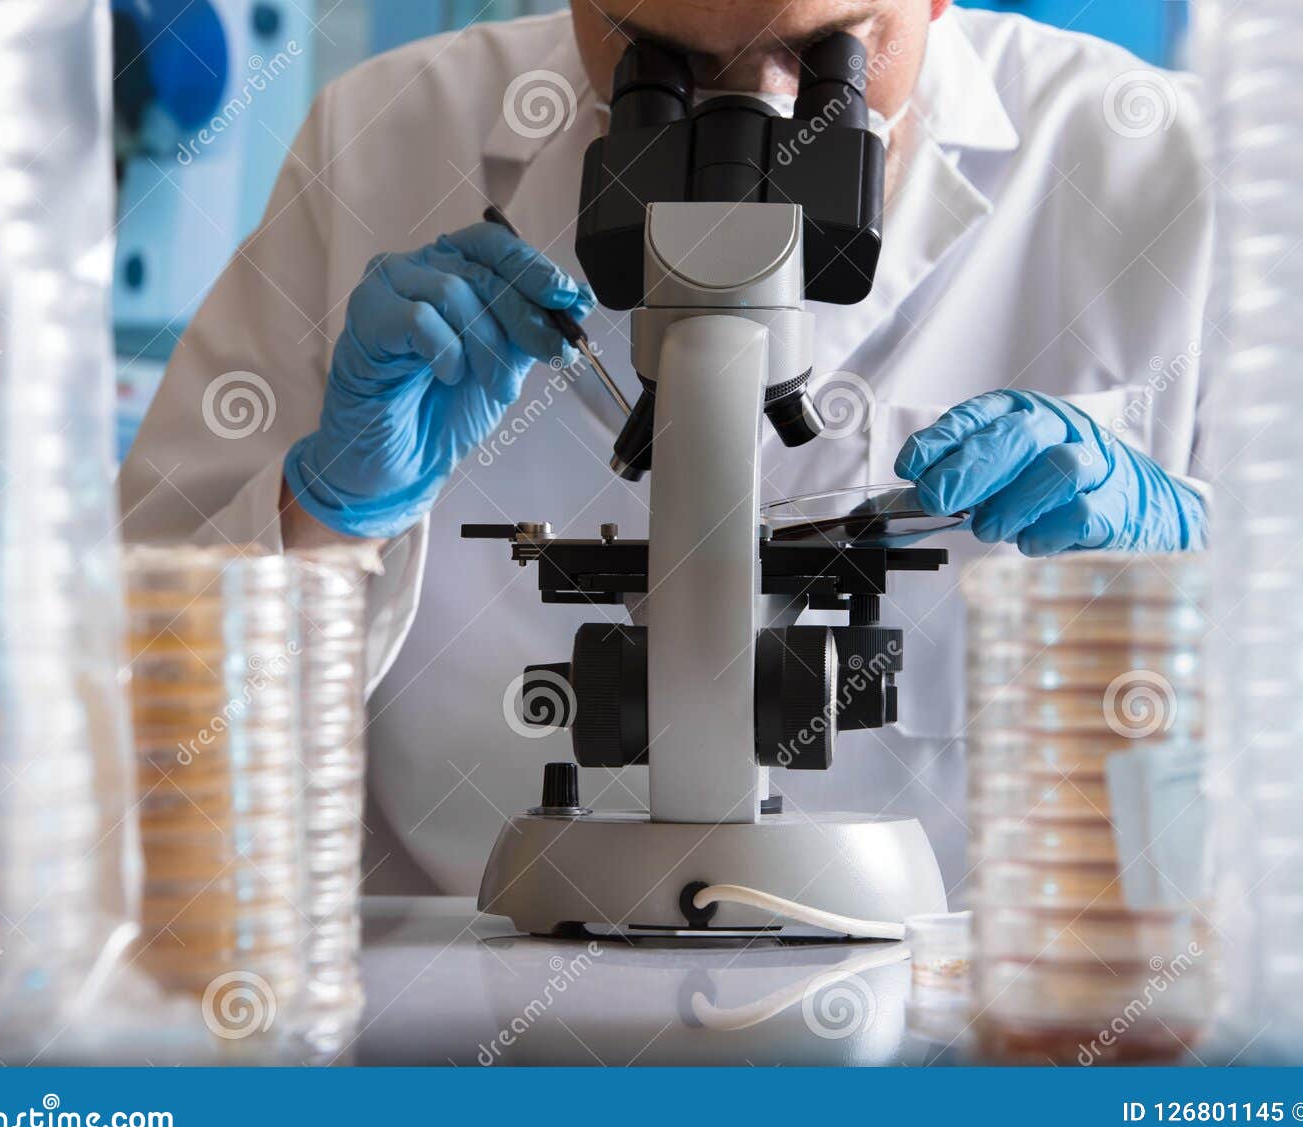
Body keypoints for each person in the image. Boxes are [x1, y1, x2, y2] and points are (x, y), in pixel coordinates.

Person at [120, 1, 1212, 895]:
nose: (759, 113)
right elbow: (130, 716)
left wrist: (1197, 569)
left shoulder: (1152, 157)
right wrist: (319, 518)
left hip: (978, 1020)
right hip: (468, 1000)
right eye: (660, 59)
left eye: (823, 50)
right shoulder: (390, 134)